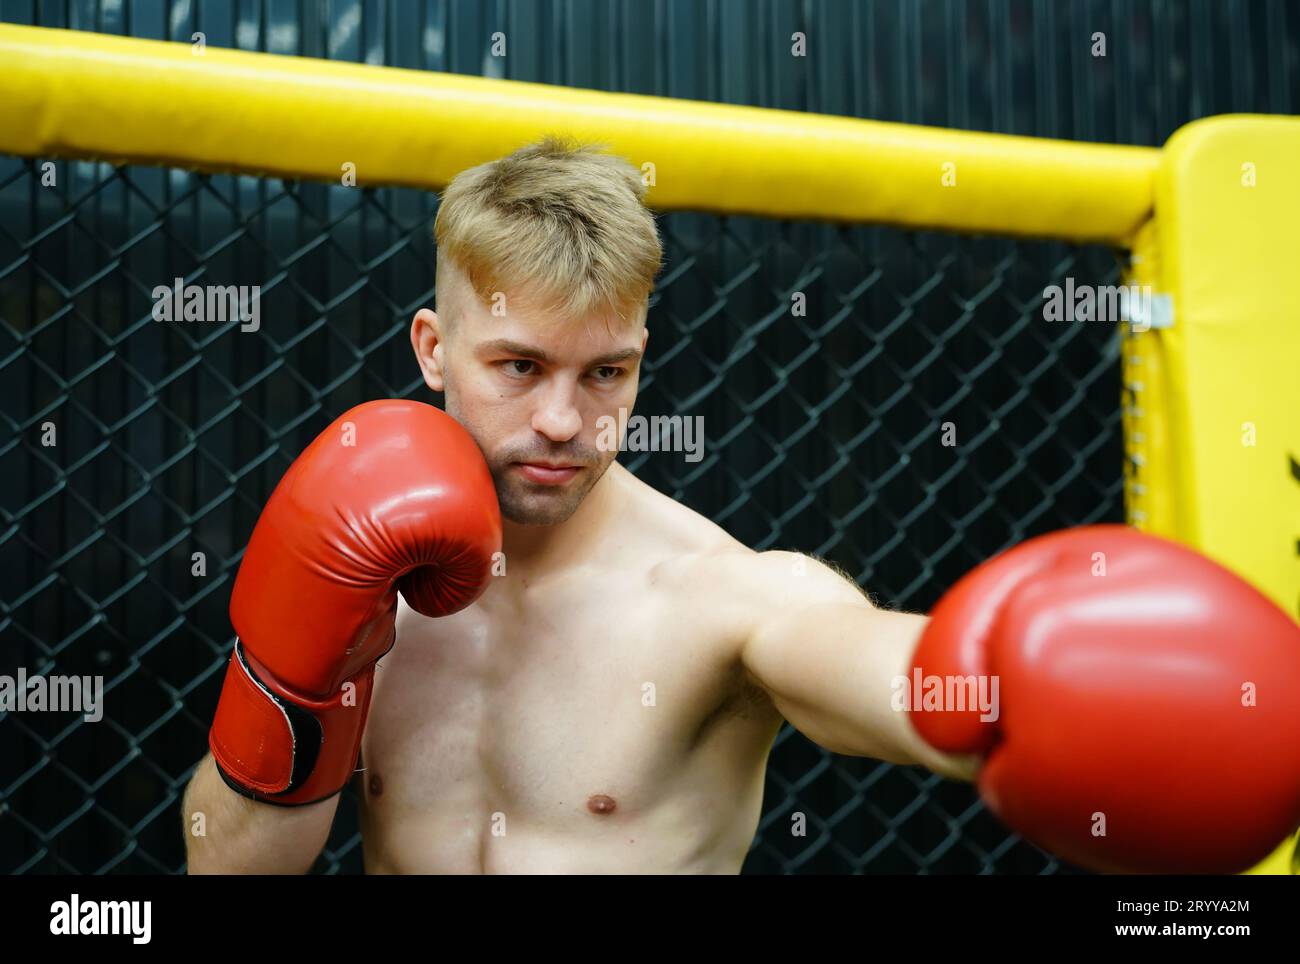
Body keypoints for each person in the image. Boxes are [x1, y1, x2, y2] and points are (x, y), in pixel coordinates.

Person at [183, 137, 1300, 875]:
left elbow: (875, 662)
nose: (567, 421)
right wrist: (297, 677)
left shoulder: (720, 599)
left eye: (605, 373)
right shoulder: (361, 572)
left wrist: (1013, 687)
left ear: (641, 358)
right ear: (435, 348)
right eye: (519, 367)